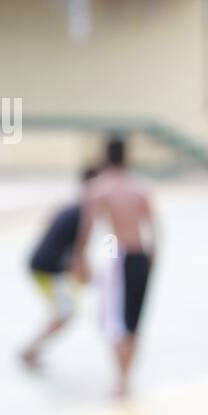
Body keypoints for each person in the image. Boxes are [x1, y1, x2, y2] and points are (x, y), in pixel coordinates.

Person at [72, 137, 157, 398]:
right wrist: (152, 258)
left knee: (115, 320)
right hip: (141, 254)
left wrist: (80, 258)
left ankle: (121, 378)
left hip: (118, 257)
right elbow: (154, 229)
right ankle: (126, 376)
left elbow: (86, 230)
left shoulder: (99, 189)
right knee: (134, 320)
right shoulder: (140, 187)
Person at [20, 166, 98, 368]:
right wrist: (86, 274)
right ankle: (30, 349)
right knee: (65, 313)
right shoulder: (85, 214)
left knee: (64, 311)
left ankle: (32, 349)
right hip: (48, 267)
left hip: (43, 264)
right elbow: (80, 251)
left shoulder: (69, 207)